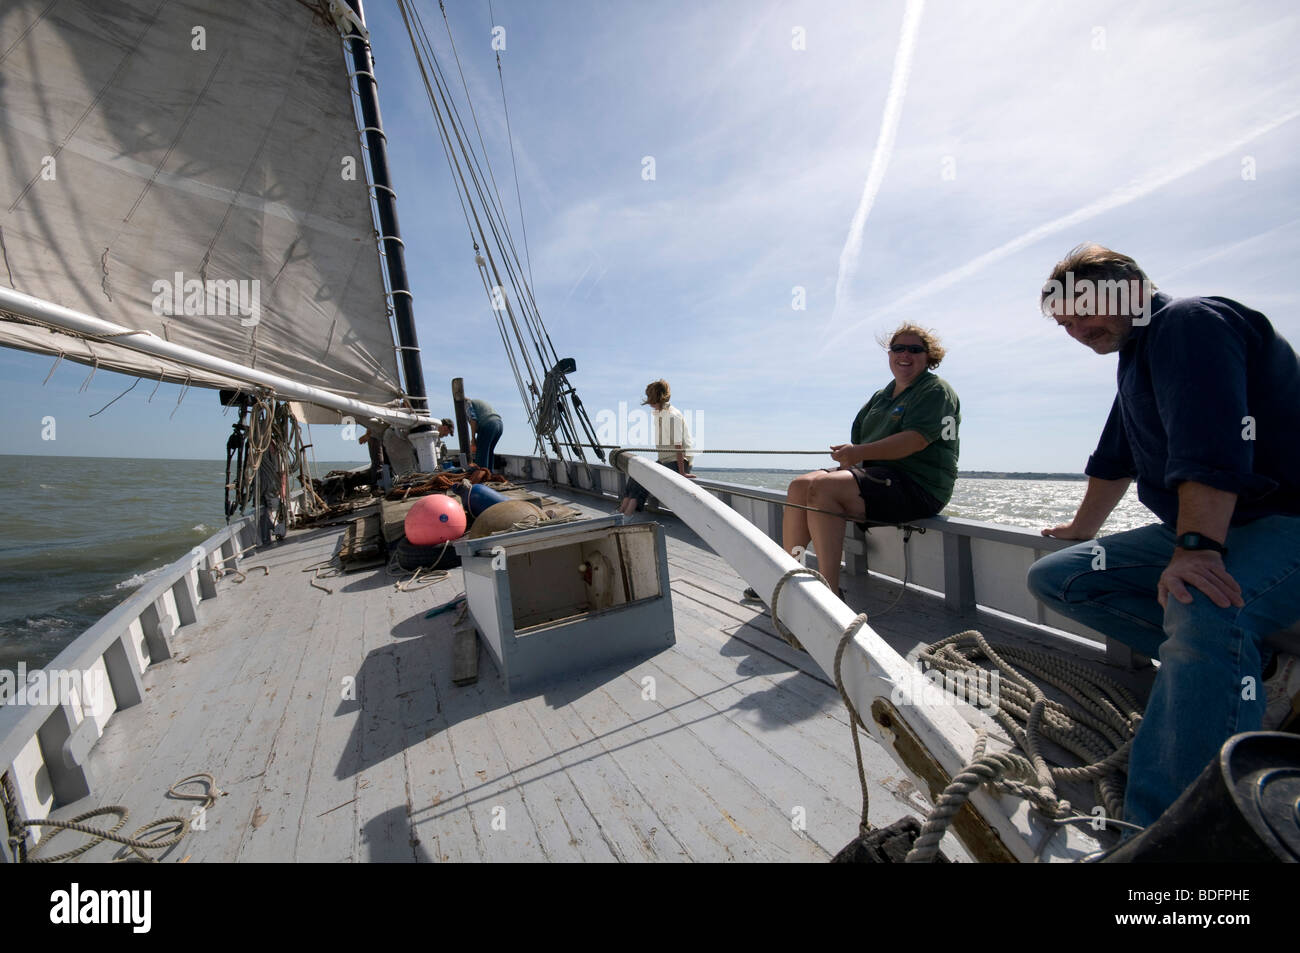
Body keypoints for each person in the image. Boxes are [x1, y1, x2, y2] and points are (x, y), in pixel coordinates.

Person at [1025, 242, 1300, 829]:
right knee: (1062, 576)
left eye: (1079, 313)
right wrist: (1081, 530)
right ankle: (1260, 673)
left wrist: (1197, 551)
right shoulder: (1137, 356)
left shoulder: (1187, 323)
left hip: (1281, 522)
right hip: (1208, 525)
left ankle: (1165, 829)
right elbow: (1114, 459)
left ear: (1126, 289)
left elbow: (1215, 443)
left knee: (1204, 604)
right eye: (1064, 323)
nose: (1073, 331)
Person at [766, 323, 959, 599]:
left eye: (915, 349)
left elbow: (915, 440)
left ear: (929, 357)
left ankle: (829, 594)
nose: (905, 354)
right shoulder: (881, 397)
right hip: (879, 477)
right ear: (890, 354)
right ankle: (792, 576)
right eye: (898, 348)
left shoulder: (936, 391)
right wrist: (853, 456)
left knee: (824, 488)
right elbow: (859, 444)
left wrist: (858, 453)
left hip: (918, 486)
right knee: (800, 485)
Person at [618, 379, 697, 515]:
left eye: (650, 399)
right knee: (636, 473)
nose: (649, 403)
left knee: (647, 477)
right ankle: (621, 511)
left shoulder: (673, 416)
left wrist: (682, 472)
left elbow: (679, 447)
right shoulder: (659, 413)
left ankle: (628, 515)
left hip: (679, 462)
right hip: (666, 460)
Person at [465, 398, 503, 472]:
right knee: (489, 451)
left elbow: (473, 420)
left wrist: (473, 439)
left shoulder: (467, 404)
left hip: (488, 425)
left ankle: (481, 476)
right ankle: (489, 474)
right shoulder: (476, 403)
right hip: (499, 425)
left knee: (481, 453)